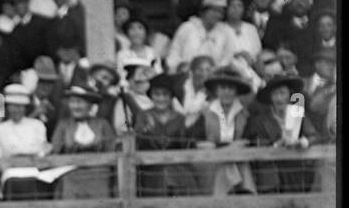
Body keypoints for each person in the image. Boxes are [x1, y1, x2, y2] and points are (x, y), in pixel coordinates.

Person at [245, 72, 314, 193]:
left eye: (282, 93)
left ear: (289, 95)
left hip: (295, 171)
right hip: (271, 173)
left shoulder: (297, 114)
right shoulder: (259, 121)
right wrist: (277, 145)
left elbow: (313, 136)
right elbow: (256, 146)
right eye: (275, 94)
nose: (279, 98)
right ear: (270, 97)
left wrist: (302, 142)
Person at [134, 73, 200, 196]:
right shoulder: (143, 116)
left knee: (174, 174)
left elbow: (186, 146)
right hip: (152, 166)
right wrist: (149, 130)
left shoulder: (180, 118)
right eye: (157, 94)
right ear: (151, 96)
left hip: (177, 165)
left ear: (171, 97)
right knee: (164, 173)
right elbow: (141, 142)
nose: (161, 99)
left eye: (165, 95)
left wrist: (186, 128)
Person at [50, 82, 116, 199]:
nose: (75, 106)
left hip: (98, 173)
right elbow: (55, 149)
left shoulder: (102, 124)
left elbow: (111, 150)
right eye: (72, 102)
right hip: (71, 172)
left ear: (90, 105)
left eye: (80, 102)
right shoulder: (63, 125)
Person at [197, 64, 256, 194]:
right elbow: (197, 141)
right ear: (216, 91)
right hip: (212, 162)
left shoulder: (244, 114)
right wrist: (222, 150)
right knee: (224, 166)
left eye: (230, 88)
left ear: (236, 91)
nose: (227, 92)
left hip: (238, 160)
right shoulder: (205, 113)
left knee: (236, 164)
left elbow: (247, 140)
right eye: (223, 88)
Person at [0, 84, 51, 200]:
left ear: (25, 108)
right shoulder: (0, 128)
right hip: (10, 171)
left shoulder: (37, 125)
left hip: (33, 169)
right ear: (7, 107)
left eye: (20, 106)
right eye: (13, 106)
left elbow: (41, 150)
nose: (16, 110)